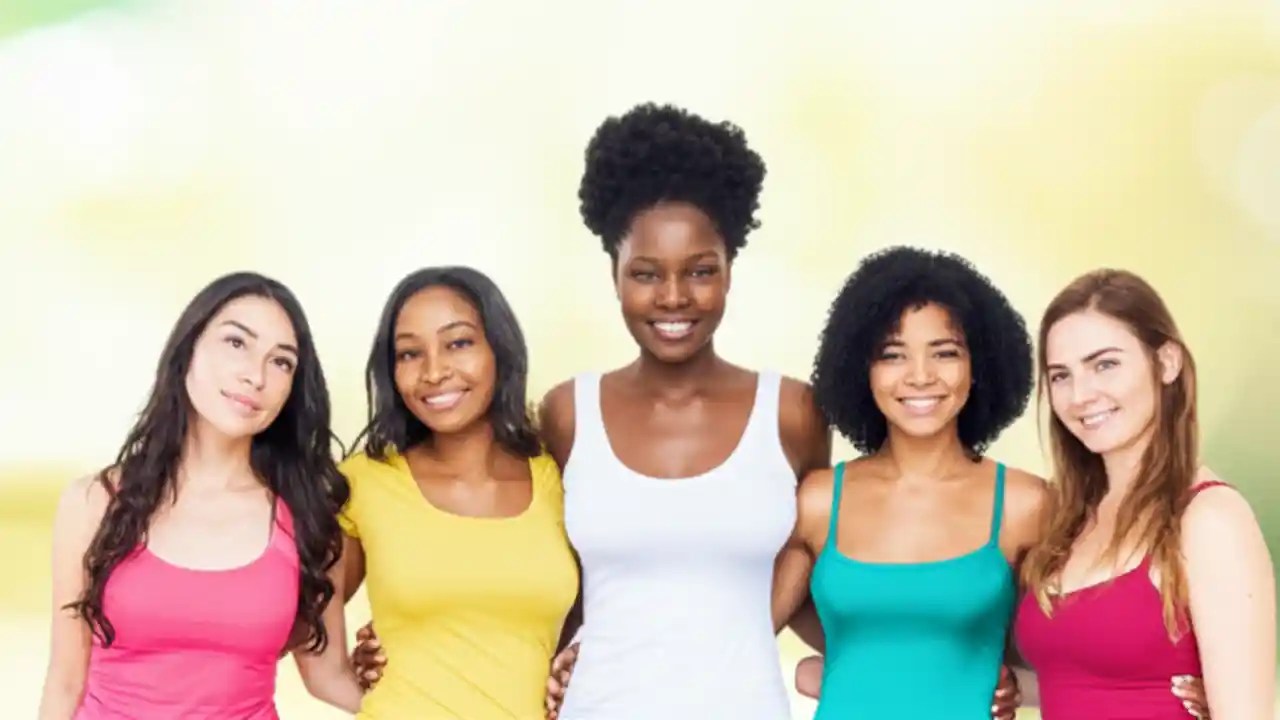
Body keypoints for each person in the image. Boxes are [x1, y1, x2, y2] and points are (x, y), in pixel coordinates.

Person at [38, 272, 362, 719]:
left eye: (281, 362)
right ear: (187, 348)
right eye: (236, 343)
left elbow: (329, 677)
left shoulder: (308, 519)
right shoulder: (94, 502)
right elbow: (64, 682)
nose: (255, 375)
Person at [769, 246, 1048, 718]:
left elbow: (1070, 657)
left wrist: (1017, 685)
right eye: (893, 355)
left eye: (945, 352)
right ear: (862, 369)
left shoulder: (1026, 504)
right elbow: (747, 629)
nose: (921, 377)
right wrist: (828, 668)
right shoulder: (817, 502)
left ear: (978, 365)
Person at [1014, 269, 1274, 718]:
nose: (1081, 395)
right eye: (1060, 376)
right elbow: (1081, 673)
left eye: (1105, 364)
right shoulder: (1069, 518)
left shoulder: (1210, 518)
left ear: (1166, 362)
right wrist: (1003, 685)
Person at [336, 266, 579, 719]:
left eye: (459, 343)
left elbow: (603, 604)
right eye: (409, 353)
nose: (433, 371)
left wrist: (579, 670)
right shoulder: (364, 482)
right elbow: (293, 625)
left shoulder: (559, 478)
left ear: (500, 351)